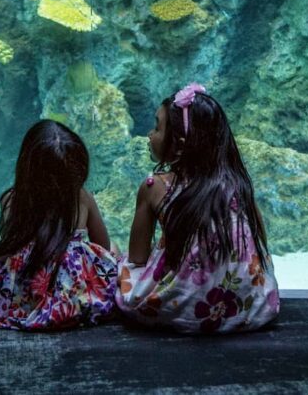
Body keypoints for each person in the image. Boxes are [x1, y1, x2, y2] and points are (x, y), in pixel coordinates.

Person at [116, 83, 279, 333]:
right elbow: (261, 249)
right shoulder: (238, 183)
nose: (150, 134)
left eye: (157, 128)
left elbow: (137, 257)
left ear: (179, 143)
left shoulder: (154, 186)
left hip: (179, 310)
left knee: (123, 267)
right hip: (251, 310)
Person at [0, 119, 118, 330]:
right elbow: (103, 244)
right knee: (115, 252)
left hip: (18, 298)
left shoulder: (11, 200)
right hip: (69, 300)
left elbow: (9, 245)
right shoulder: (82, 197)